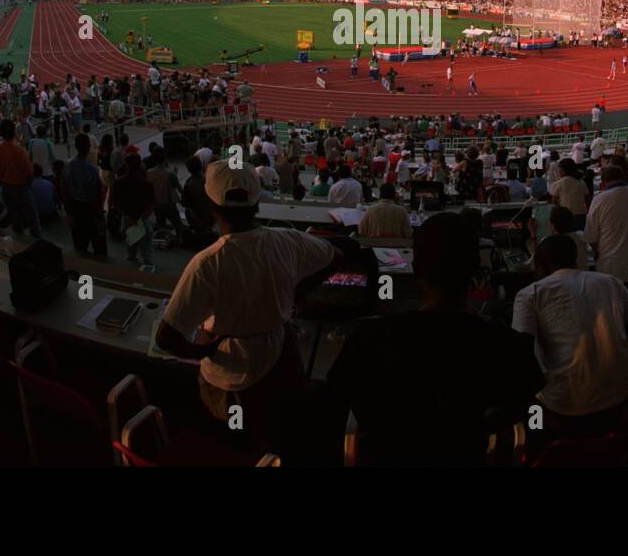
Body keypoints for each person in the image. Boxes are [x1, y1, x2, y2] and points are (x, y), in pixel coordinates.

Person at [328, 212, 543, 466]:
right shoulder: (502, 344)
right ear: (475, 268)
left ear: (416, 268)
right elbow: (527, 397)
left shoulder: (368, 339)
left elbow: (333, 406)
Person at [155, 162, 340, 451]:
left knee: (238, 440)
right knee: (276, 435)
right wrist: (296, 292)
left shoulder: (207, 263)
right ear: (256, 202)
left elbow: (165, 338)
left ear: (211, 205)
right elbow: (336, 256)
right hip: (281, 362)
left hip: (229, 380)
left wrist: (199, 351)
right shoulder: (288, 241)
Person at [513, 234, 628, 440]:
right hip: (621, 399)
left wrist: (538, 393)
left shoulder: (529, 294)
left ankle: (538, 442)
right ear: (574, 260)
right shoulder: (612, 282)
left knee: (528, 414)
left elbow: (522, 354)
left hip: (563, 408)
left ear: (540, 267)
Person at [0, 119, 41, 239]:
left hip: (6, 187)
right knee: (32, 218)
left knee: (15, 216)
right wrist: (27, 187)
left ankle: (19, 240)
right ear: (14, 133)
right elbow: (29, 173)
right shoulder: (20, 151)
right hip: (21, 188)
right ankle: (37, 240)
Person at [62, 134, 106, 256]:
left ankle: (83, 271)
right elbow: (97, 194)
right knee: (99, 248)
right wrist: (100, 215)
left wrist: (69, 213)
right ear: (88, 147)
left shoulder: (68, 166)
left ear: (76, 146)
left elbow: (64, 191)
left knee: (80, 247)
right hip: (90, 210)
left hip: (75, 209)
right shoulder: (92, 170)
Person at [112, 151, 156, 267]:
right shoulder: (147, 184)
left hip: (127, 221)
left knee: (130, 254)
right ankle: (148, 280)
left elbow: (115, 204)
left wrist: (129, 217)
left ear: (126, 165)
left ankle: (131, 277)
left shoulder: (119, 183)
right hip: (142, 221)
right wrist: (139, 219)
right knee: (147, 255)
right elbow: (151, 206)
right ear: (140, 164)